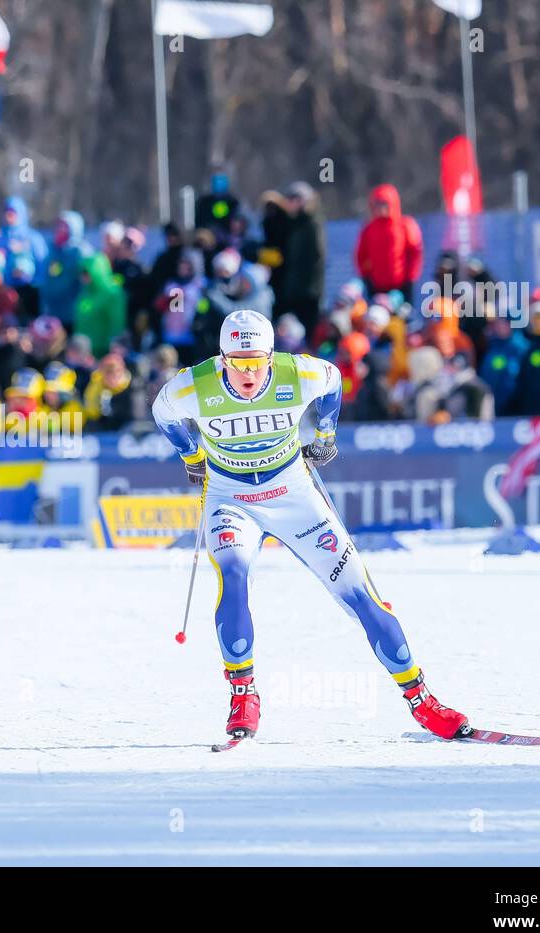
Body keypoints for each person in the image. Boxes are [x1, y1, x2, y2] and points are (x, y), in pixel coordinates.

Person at [152, 310, 468, 742]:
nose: (248, 373)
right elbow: (162, 411)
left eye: (257, 361)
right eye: (237, 363)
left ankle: (422, 700)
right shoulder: (194, 384)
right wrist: (192, 456)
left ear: (271, 356)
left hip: (293, 495)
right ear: (222, 358)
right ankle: (243, 695)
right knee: (234, 576)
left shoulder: (297, 372)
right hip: (231, 499)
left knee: (361, 595)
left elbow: (335, 380)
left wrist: (325, 434)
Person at [354, 184, 423, 298]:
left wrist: (410, 278)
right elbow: (361, 255)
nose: (380, 208)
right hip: (377, 286)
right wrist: (366, 277)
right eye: (377, 204)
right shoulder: (369, 229)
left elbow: (415, 252)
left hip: (401, 286)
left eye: (384, 203)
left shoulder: (405, 225)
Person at [276, 182, 326, 336]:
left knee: (307, 328)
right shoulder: (294, 222)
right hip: (294, 287)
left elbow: (316, 256)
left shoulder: (311, 223)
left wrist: (305, 284)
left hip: (308, 289)